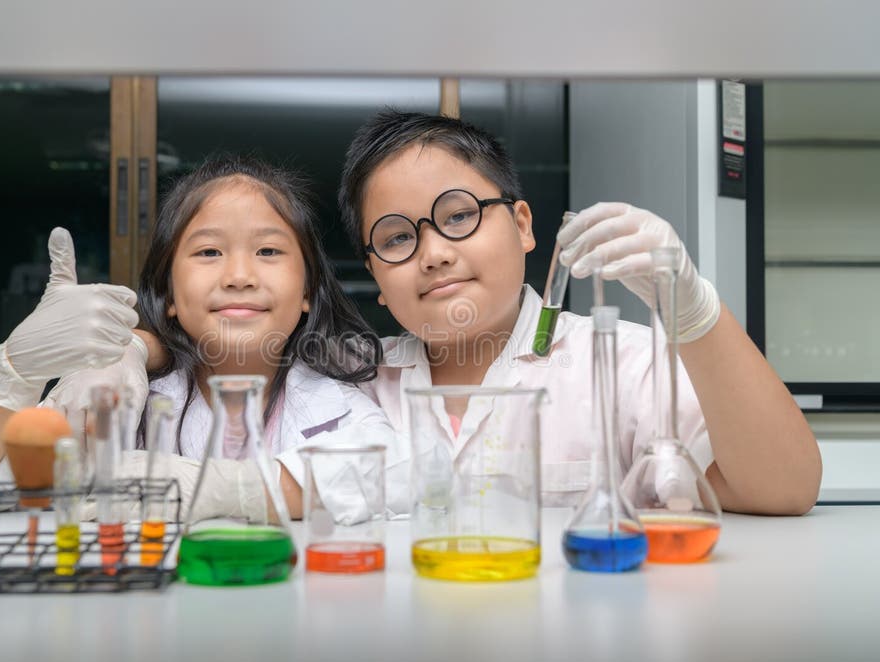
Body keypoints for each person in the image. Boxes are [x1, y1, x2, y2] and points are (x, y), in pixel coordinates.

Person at [337, 109, 821, 515]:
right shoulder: (349, 384)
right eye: (396, 238)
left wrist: (694, 314)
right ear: (375, 276)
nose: (434, 253)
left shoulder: (624, 364)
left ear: (523, 225)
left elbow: (784, 488)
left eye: (459, 216)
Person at [0, 154, 395, 521]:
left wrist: (221, 490)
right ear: (168, 297)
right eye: (208, 252)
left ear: (306, 292)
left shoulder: (343, 408)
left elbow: (378, 472)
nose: (239, 275)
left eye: (268, 251)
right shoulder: (109, 393)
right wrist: (15, 369)